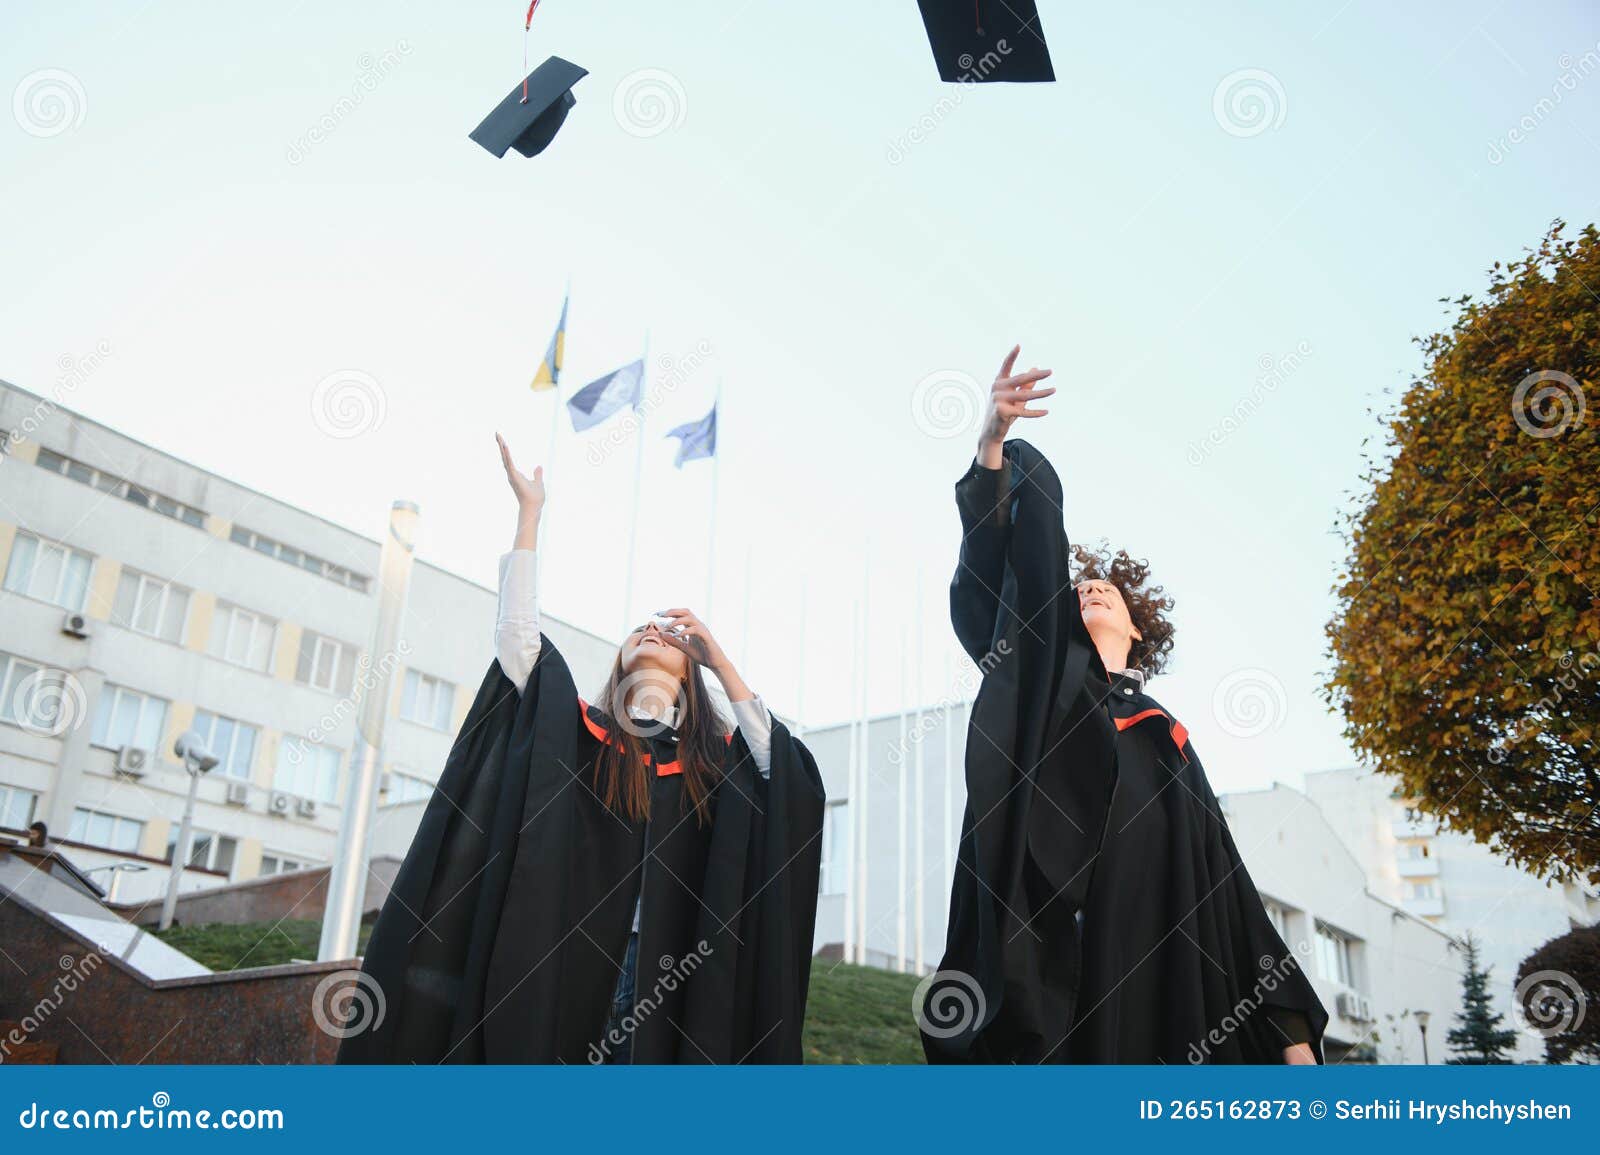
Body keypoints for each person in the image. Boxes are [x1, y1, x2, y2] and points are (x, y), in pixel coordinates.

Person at [339, 436, 825, 1065]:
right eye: (639, 629)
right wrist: (530, 516)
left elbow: (781, 772)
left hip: (675, 980)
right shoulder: (582, 734)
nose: (653, 632)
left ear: (690, 669)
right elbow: (520, 649)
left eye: (669, 634)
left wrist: (723, 661)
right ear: (620, 658)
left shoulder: (714, 761)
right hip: (567, 966)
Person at [921, 346, 1328, 1064]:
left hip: (1172, 960)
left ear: (1141, 628)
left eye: (1112, 590)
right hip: (1069, 946)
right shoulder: (1047, 689)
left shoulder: (1167, 735)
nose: (1092, 589)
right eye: (1079, 589)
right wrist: (992, 447)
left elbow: (1226, 881)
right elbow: (997, 582)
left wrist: (1289, 1030)